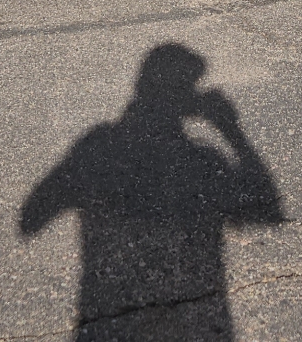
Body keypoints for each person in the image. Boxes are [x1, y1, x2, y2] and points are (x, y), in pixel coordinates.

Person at [19, 44, 284, 340]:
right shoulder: (208, 159)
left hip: (109, 317)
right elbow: (268, 212)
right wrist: (231, 129)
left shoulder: (97, 144)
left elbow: (30, 219)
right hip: (198, 322)